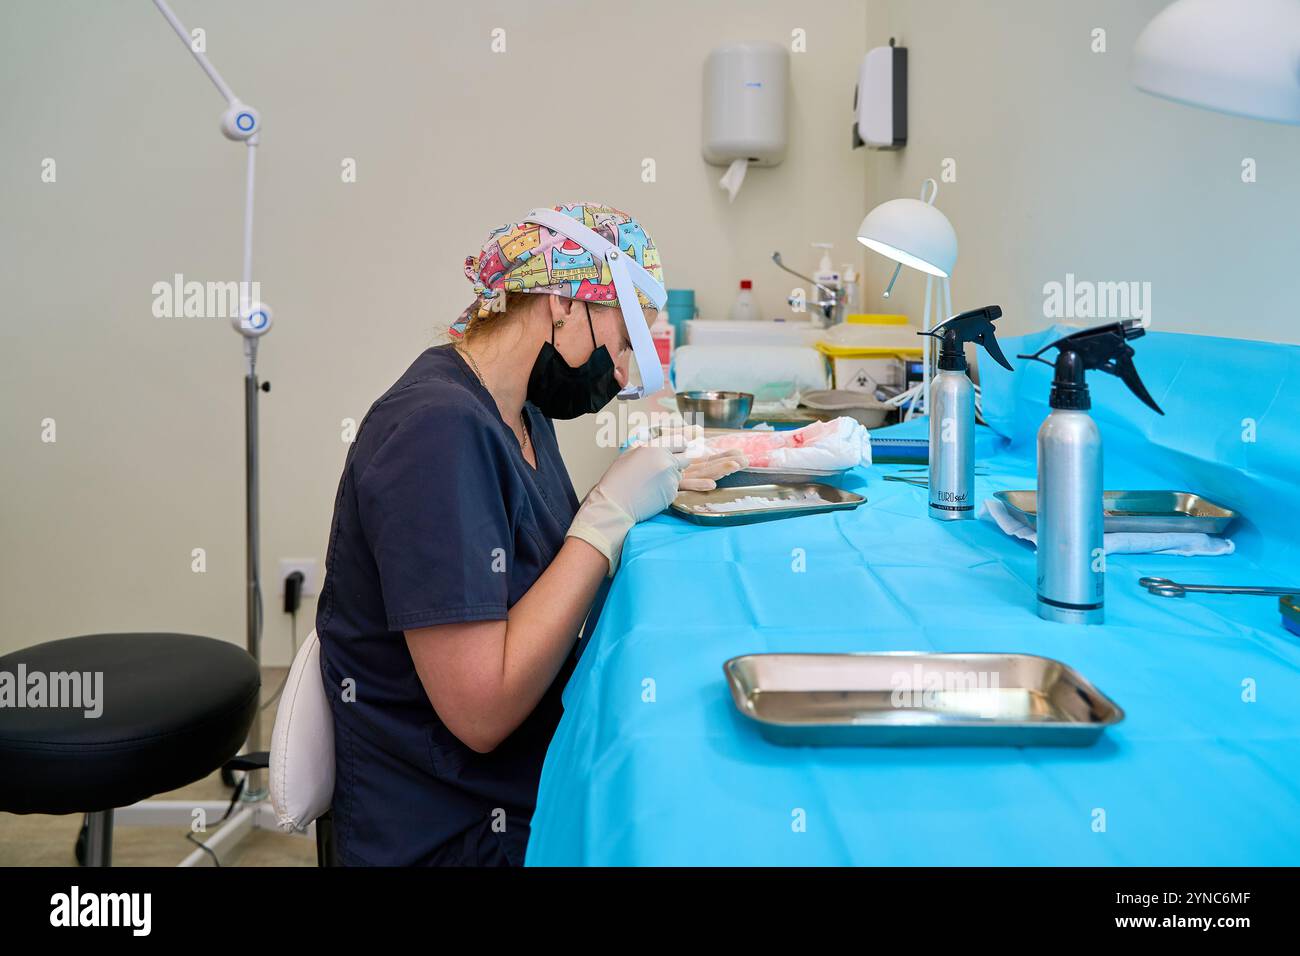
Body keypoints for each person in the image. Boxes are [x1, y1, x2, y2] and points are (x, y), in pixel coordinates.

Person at [314, 202, 745, 865]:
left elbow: (535, 580)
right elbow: (480, 713)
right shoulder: (436, 432)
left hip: (518, 774)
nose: (625, 375)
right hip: (454, 825)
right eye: (628, 339)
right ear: (563, 302)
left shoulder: (519, 415)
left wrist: (643, 501)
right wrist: (605, 514)